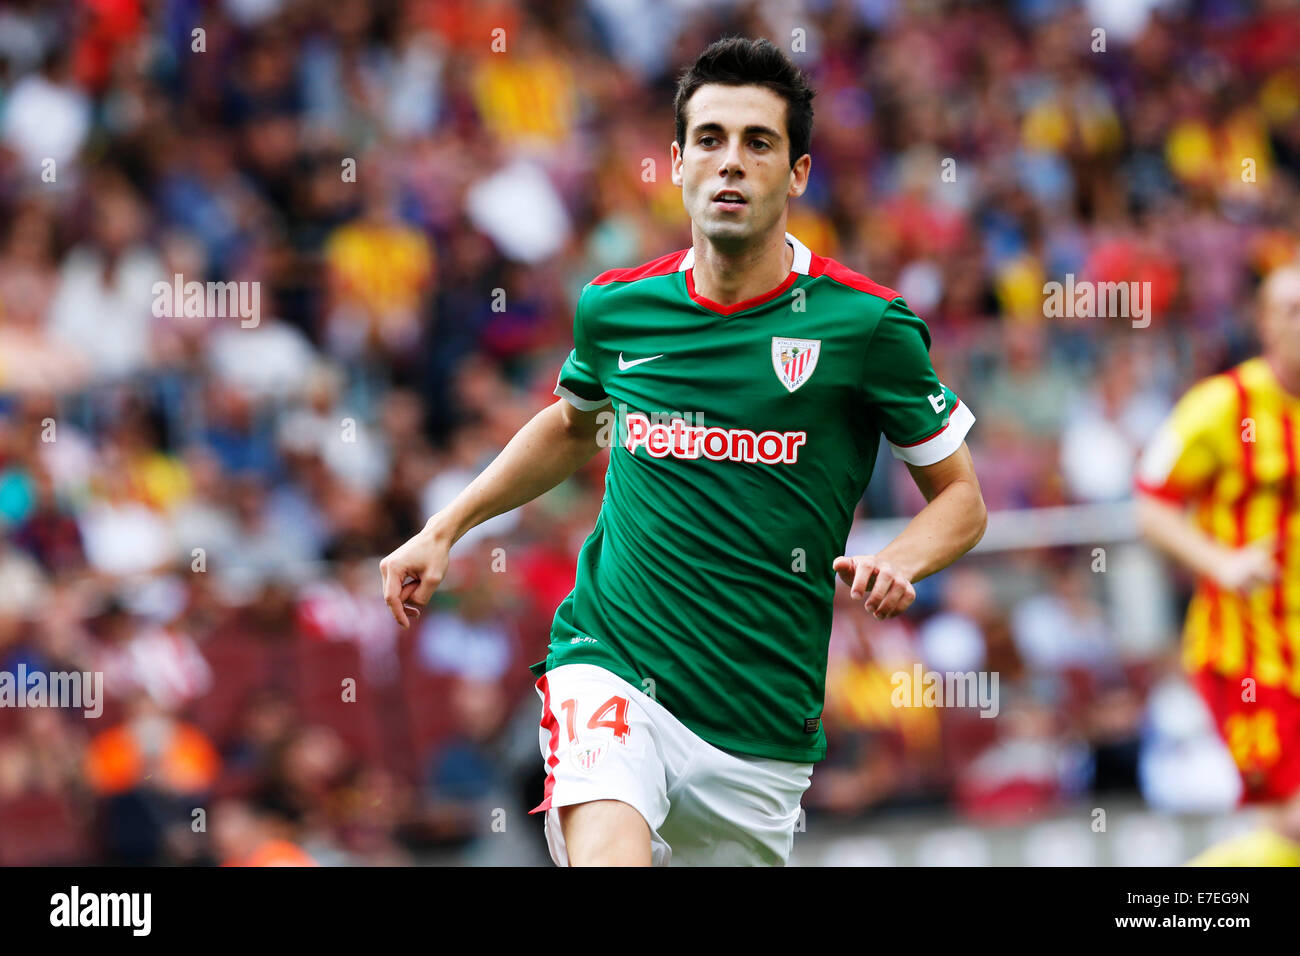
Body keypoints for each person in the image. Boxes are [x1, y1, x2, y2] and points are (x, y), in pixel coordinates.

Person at [380, 37, 986, 866]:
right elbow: (572, 423)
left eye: (758, 142)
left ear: (798, 173)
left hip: (759, 724)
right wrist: (447, 526)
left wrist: (903, 558)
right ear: (675, 162)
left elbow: (961, 498)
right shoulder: (618, 308)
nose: (730, 163)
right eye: (710, 139)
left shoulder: (866, 327)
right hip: (612, 660)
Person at [1135, 261, 1300, 866]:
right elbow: (1149, 506)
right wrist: (1221, 561)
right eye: (1292, 310)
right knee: (1291, 820)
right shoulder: (1219, 407)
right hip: (1250, 652)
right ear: (1264, 323)